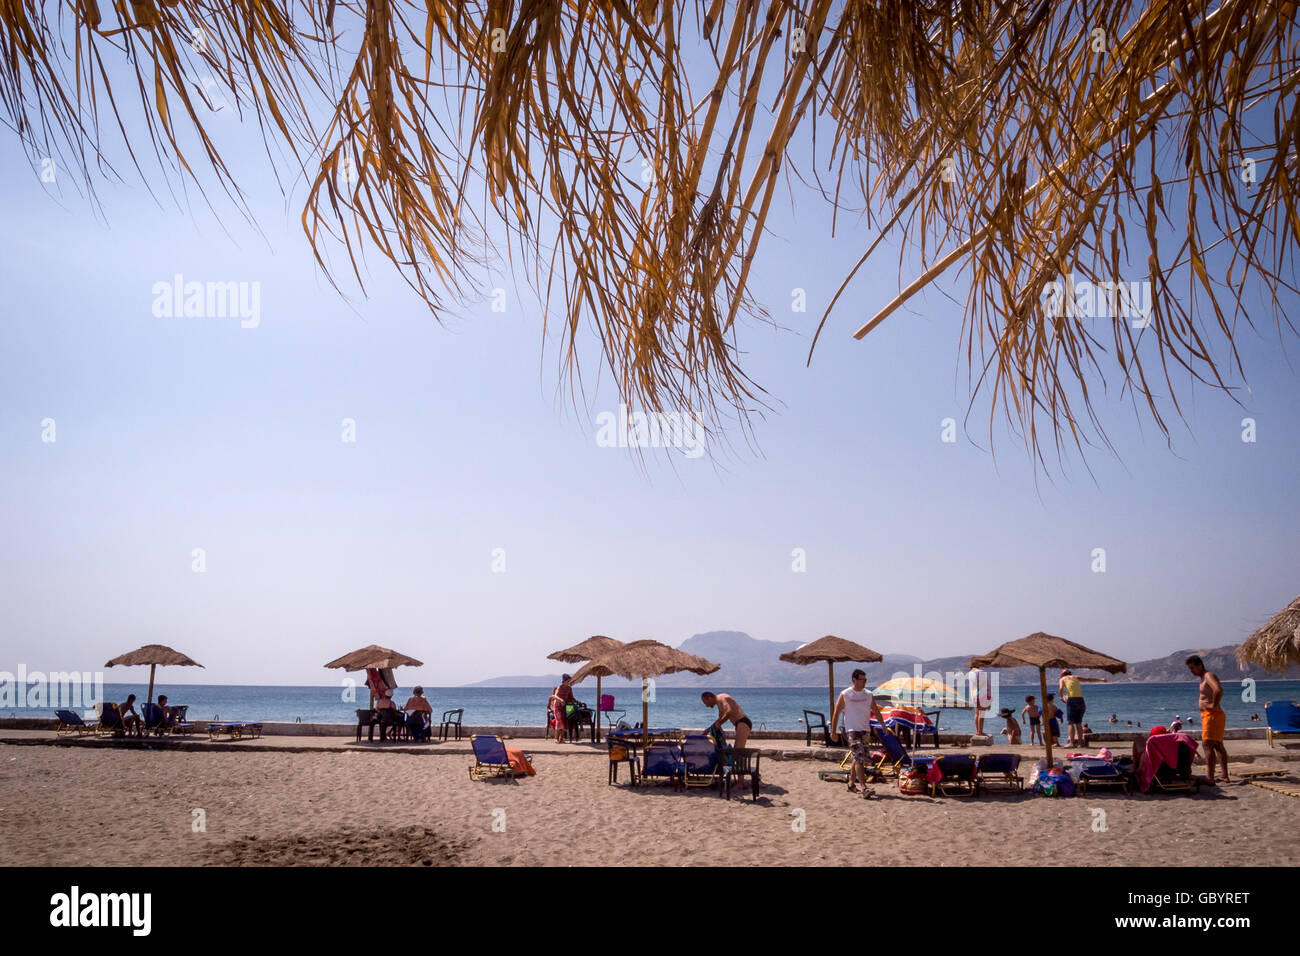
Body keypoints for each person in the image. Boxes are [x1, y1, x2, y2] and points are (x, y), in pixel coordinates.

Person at [828, 669, 888, 796]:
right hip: (852, 731)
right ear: (854, 680)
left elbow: (876, 711)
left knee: (858, 758)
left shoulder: (868, 694)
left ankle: (850, 783)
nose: (865, 682)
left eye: (865, 680)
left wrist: (883, 726)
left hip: (865, 730)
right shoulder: (845, 694)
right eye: (862, 679)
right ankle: (864, 787)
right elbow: (836, 713)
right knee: (859, 758)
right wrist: (832, 731)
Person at [1186, 655, 1229, 783]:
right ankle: (1224, 775)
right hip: (1211, 715)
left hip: (1212, 715)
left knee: (1207, 745)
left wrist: (1213, 705)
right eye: (1190, 669)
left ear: (1200, 665)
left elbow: (1218, 690)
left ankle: (1210, 777)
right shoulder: (1203, 678)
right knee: (1218, 745)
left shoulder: (1208, 676)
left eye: (1193, 668)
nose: (1191, 671)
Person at [1057, 668, 1106, 748]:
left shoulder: (1062, 679)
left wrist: (1061, 697)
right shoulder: (1075, 677)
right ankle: (1080, 743)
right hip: (1081, 700)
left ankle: (1072, 743)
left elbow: (1061, 688)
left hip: (1072, 699)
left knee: (1070, 722)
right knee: (1078, 723)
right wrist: (1101, 679)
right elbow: (1088, 680)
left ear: (1062, 674)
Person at [547, 675, 575, 743]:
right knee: (559, 721)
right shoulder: (559, 687)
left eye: (569, 681)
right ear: (564, 681)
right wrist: (561, 700)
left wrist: (577, 701)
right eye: (568, 681)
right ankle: (556, 738)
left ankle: (561, 739)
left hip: (564, 706)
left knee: (564, 721)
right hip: (557, 705)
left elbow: (571, 698)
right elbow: (554, 696)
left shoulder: (569, 688)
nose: (569, 682)